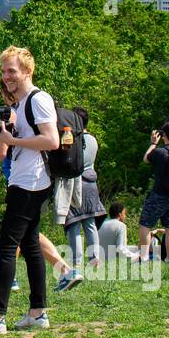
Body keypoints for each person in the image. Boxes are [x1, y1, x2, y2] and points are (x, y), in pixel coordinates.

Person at [0, 46, 59, 333]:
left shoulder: (38, 99)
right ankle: (37, 313)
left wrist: (13, 141)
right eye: (4, 72)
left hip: (28, 182)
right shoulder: (21, 103)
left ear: (27, 71)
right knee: (30, 246)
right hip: (27, 180)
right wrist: (7, 134)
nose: (6, 77)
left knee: (6, 246)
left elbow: (51, 140)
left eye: (12, 71)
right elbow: (23, 139)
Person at [58, 106, 106, 289]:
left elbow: (68, 160)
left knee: (73, 223)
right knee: (90, 223)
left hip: (76, 184)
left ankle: (76, 262)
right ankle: (95, 259)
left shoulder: (73, 138)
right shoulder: (93, 139)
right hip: (92, 182)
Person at [140, 121, 169, 262]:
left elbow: (146, 159)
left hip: (159, 194)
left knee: (145, 224)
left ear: (164, 135)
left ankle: (143, 257)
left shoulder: (160, 152)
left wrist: (153, 143)